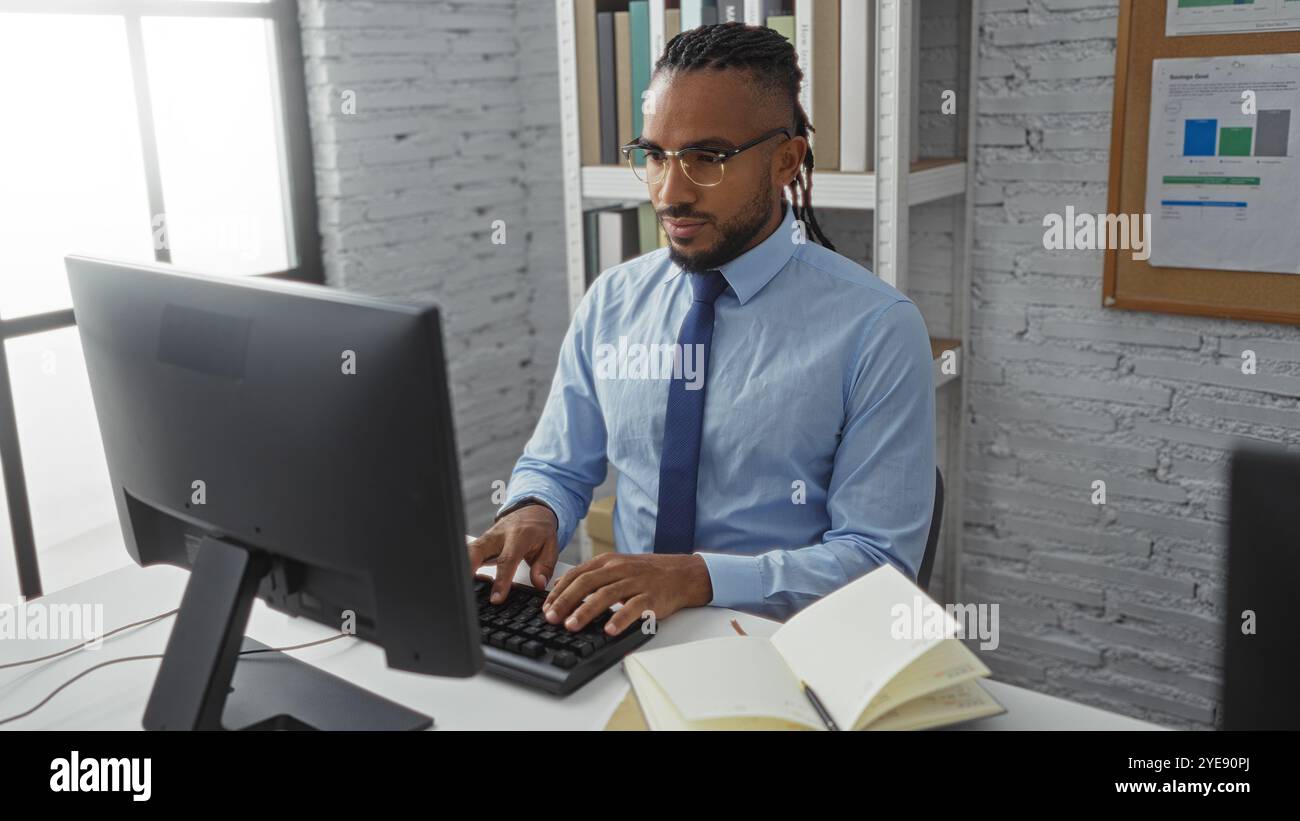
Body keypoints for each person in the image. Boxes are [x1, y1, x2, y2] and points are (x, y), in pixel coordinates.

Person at [469, 22, 936, 634]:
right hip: (623, 636)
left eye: (706, 158)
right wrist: (534, 509)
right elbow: (558, 466)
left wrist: (696, 577)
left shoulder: (878, 329)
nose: (670, 191)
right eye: (655, 155)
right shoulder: (613, 300)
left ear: (785, 161)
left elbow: (880, 564)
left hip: (783, 648)